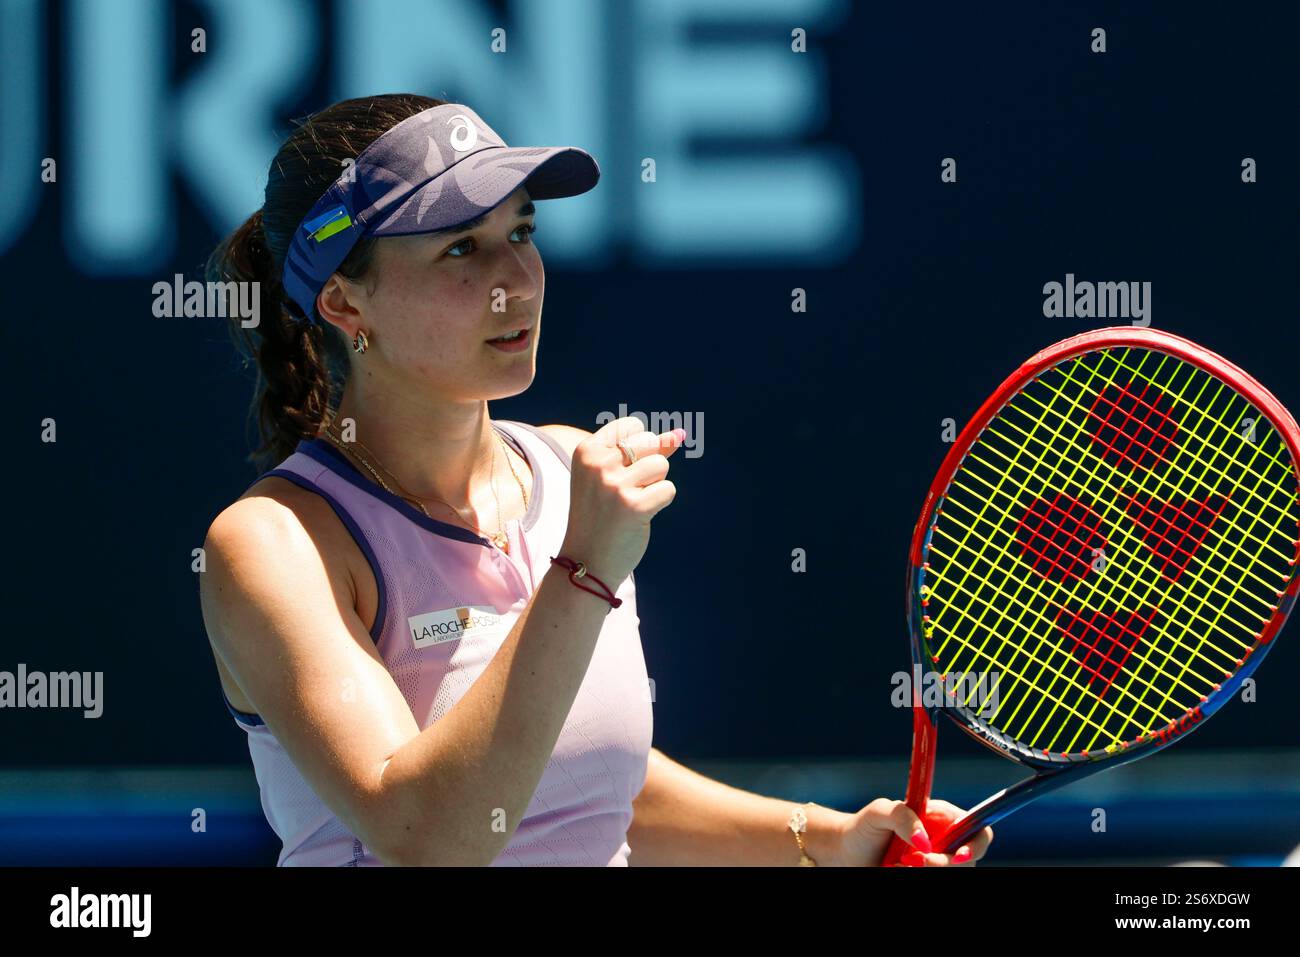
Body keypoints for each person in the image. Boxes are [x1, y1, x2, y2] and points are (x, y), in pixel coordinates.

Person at [198, 92, 993, 866]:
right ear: (344, 301)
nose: (521, 278)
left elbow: (597, 795)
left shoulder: (564, 469)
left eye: (522, 231)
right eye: (462, 248)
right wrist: (580, 571)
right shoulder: (271, 546)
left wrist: (822, 838)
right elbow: (431, 840)